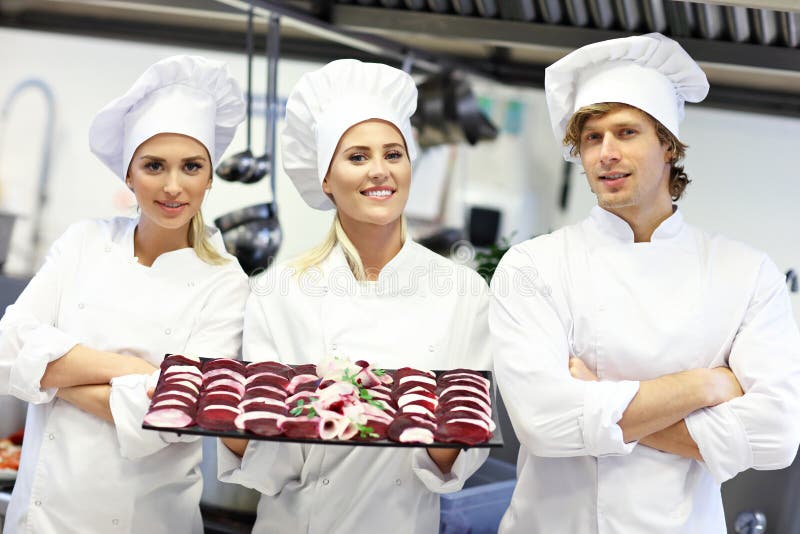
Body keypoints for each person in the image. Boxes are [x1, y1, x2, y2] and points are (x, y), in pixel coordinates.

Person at [490, 33, 800, 533]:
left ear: (668, 146)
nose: (606, 153)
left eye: (626, 132)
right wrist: (703, 384)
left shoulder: (744, 272)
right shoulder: (533, 266)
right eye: (592, 138)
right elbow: (543, 424)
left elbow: (778, 435)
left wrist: (600, 399)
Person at [217, 59, 491, 533]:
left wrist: (445, 431)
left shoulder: (462, 291)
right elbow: (268, 461)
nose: (379, 172)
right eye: (357, 157)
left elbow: (461, 455)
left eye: (394, 154)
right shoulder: (282, 291)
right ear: (325, 178)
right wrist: (224, 418)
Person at [0, 55, 249, 534]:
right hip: (38, 521)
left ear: (210, 176)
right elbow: (8, 348)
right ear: (129, 175)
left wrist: (46, 375)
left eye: (191, 167)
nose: (173, 186)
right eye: (154, 166)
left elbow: (171, 416)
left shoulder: (226, 283)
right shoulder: (82, 242)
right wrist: (137, 372)